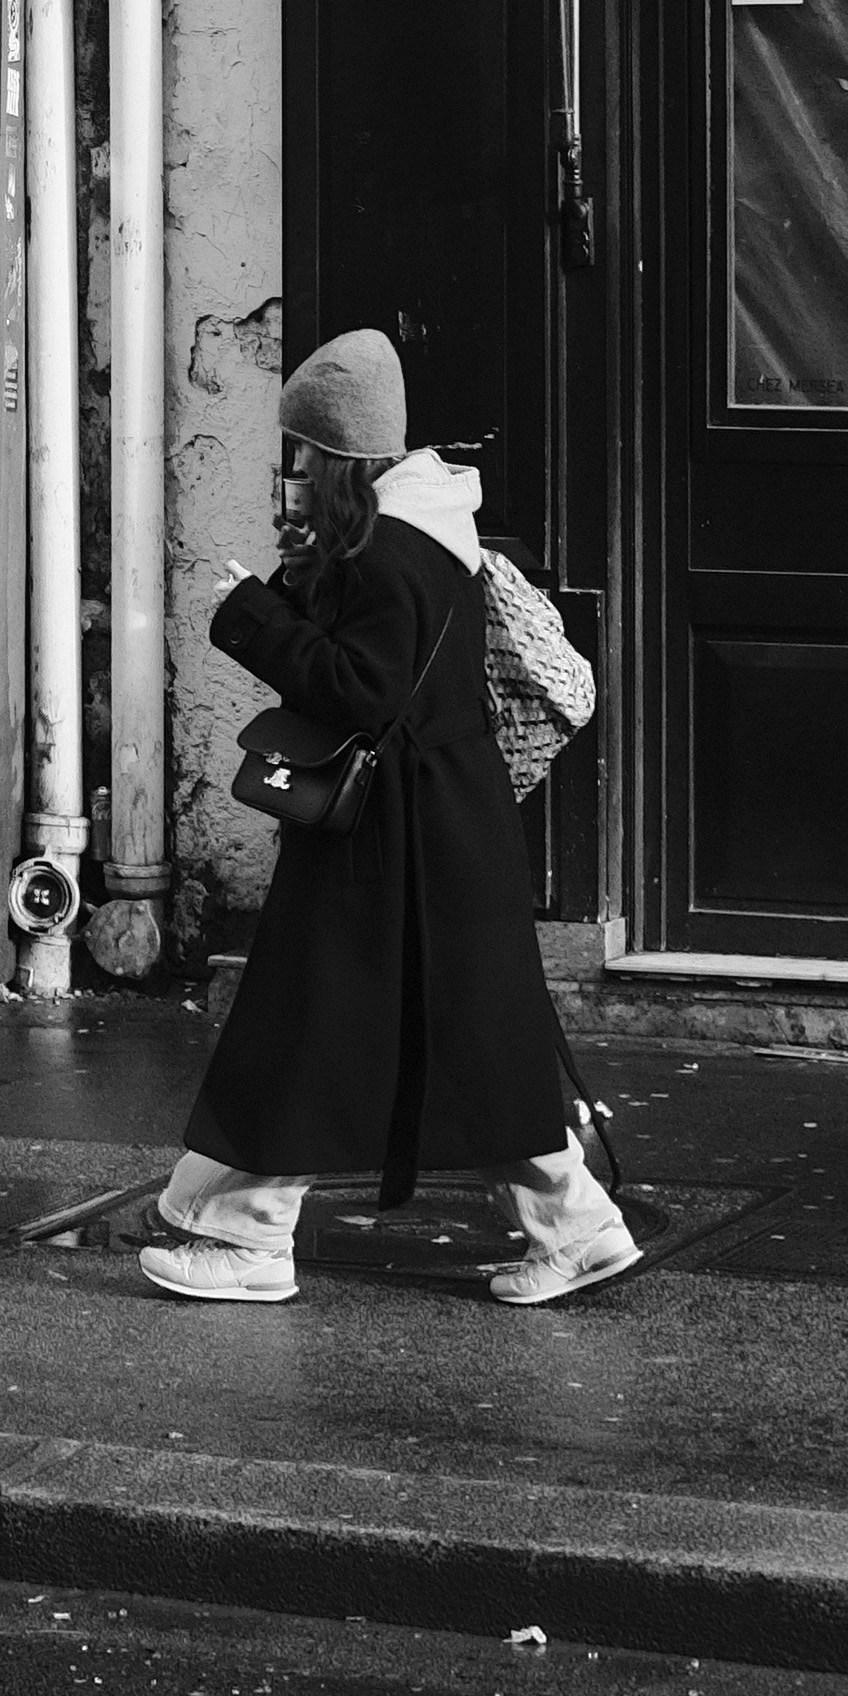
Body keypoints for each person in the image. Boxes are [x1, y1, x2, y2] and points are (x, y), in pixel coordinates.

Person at [143, 324, 638, 1310]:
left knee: (309, 1023)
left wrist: (248, 611)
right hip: (445, 826)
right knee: (460, 1035)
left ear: (332, 454)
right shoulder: (425, 530)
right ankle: (574, 1228)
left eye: (299, 453)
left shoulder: (383, 551)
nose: (289, 471)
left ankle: (245, 1239)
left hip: (390, 839)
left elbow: (360, 690)